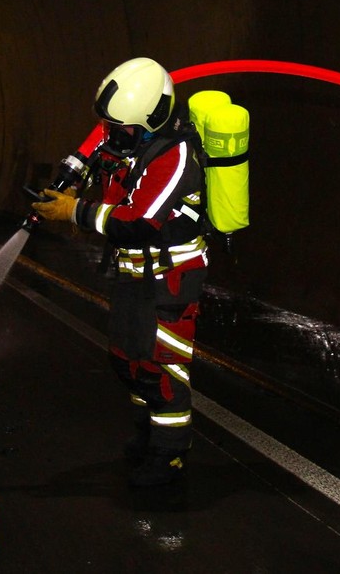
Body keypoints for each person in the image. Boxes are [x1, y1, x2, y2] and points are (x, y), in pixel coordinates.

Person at [31, 57, 208, 487]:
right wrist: (71, 179)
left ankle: (170, 456)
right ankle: (148, 436)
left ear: (153, 117)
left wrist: (73, 210)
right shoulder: (129, 137)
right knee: (127, 360)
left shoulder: (177, 156)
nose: (113, 136)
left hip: (171, 278)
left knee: (162, 369)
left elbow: (139, 221)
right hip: (134, 274)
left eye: (122, 129)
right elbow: (95, 156)